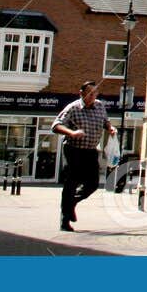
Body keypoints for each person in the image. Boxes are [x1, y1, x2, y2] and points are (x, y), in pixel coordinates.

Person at [52, 80, 115, 232]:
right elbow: (56, 125)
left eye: (95, 93)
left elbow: (105, 121)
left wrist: (110, 128)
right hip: (74, 150)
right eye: (90, 93)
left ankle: (71, 203)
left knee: (93, 183)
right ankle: (65, 219)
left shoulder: (99, 105)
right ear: (81, 93)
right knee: (71, 183)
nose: (93, 96)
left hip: (91, 150)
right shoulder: (73, 108)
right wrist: (72, 133)